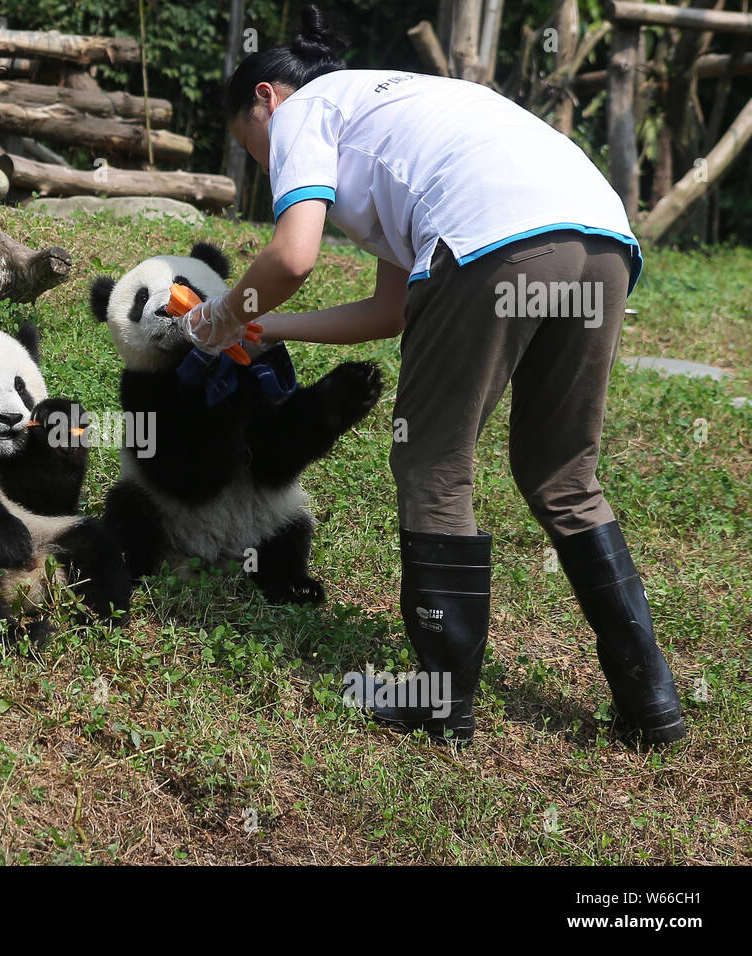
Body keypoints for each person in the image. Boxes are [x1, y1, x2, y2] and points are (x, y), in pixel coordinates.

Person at [180, 5, 687, 748]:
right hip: (599, 237)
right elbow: (392, 312)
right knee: (562, 475)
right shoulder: (399, 119)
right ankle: (654, 705)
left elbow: (290, 258)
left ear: (266, 101)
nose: (262, 162)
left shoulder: (304, 113)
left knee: (432, 463)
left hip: (491, 240)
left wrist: (221, 315)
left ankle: (440, 700)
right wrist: (267, 330)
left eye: (248, 146)